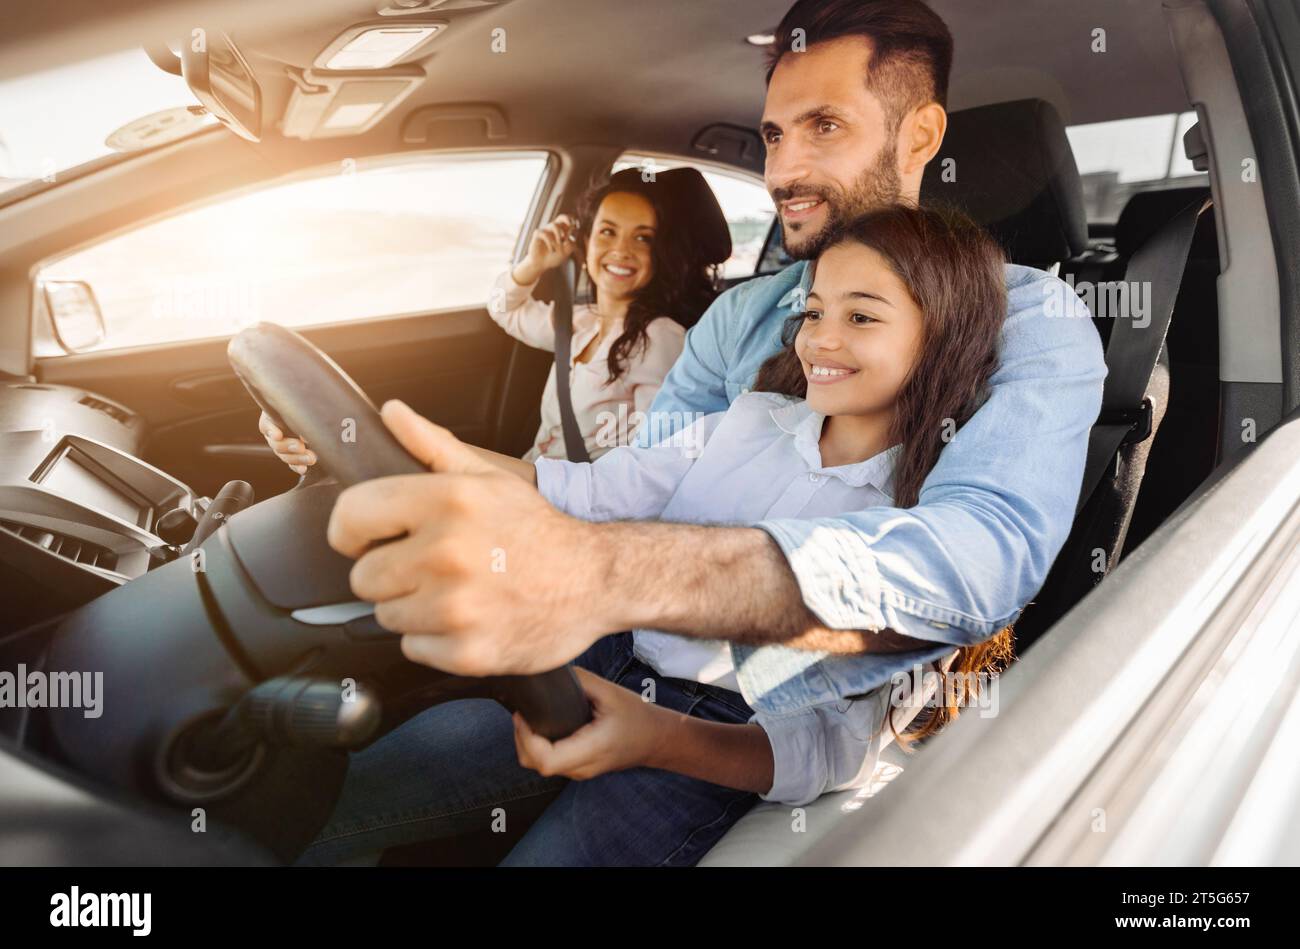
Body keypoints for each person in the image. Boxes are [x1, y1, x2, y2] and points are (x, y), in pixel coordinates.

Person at [315, 0, 1106, 861]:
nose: (784, 171)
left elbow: (973, 563)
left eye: (825, 126)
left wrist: (601, 576)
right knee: (343, 796)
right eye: (772, 136)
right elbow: (628, 488)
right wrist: (413, 458)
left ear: (919, 136)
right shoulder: (742, 323)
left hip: (758, 714)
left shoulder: (1028, 319)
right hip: (614, 660)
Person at [304, 203, 1013, 865]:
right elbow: (586, 492)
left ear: (943, 335)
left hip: (714, 740)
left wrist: (662, 738)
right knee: (345, 798)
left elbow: (839, 746)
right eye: (814, 310)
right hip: (596, 663)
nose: (820, 339)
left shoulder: (931, 530)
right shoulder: (750, 419)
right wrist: (416, 448)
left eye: (862, 318)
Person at [260, 168, 718, 469]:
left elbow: (650, 461)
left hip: (572, 504)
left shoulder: (661, 339)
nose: (620, 250)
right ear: (586, 241)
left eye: (643, 238)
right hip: (530, 477)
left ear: (664, 252)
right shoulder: (577, 323)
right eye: (607, 232)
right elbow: (507, 309)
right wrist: (533, 265)